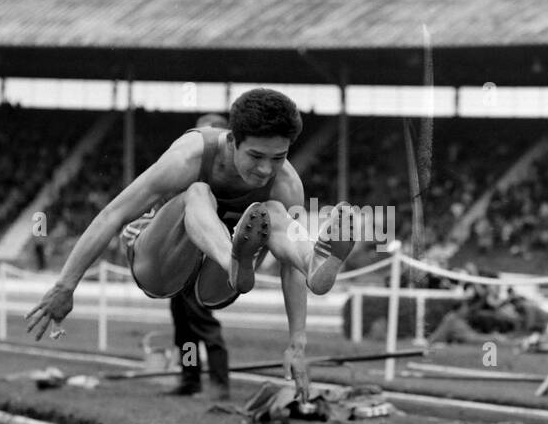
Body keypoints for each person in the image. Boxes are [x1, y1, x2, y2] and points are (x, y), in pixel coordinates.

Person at [26, 88, 355, 400]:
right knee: (198, 193)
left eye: (278, 157)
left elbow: (288, 269)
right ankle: (229, 269)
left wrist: (297, 344)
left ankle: (312, 259)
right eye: (255, 156)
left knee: (275, 211)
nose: (265, 169)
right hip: (160, 263)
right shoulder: (188, 156)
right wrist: (66, 286)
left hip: (218, 282)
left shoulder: (286, 184)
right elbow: (112, 215)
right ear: (231, 140)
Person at [168, 112, 233, 400]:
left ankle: (219, 385)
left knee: (204, 325)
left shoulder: (227, 181)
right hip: (179, 264)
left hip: (202, 264)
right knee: (184, 329)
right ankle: (190, 378)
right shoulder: (188, 171)